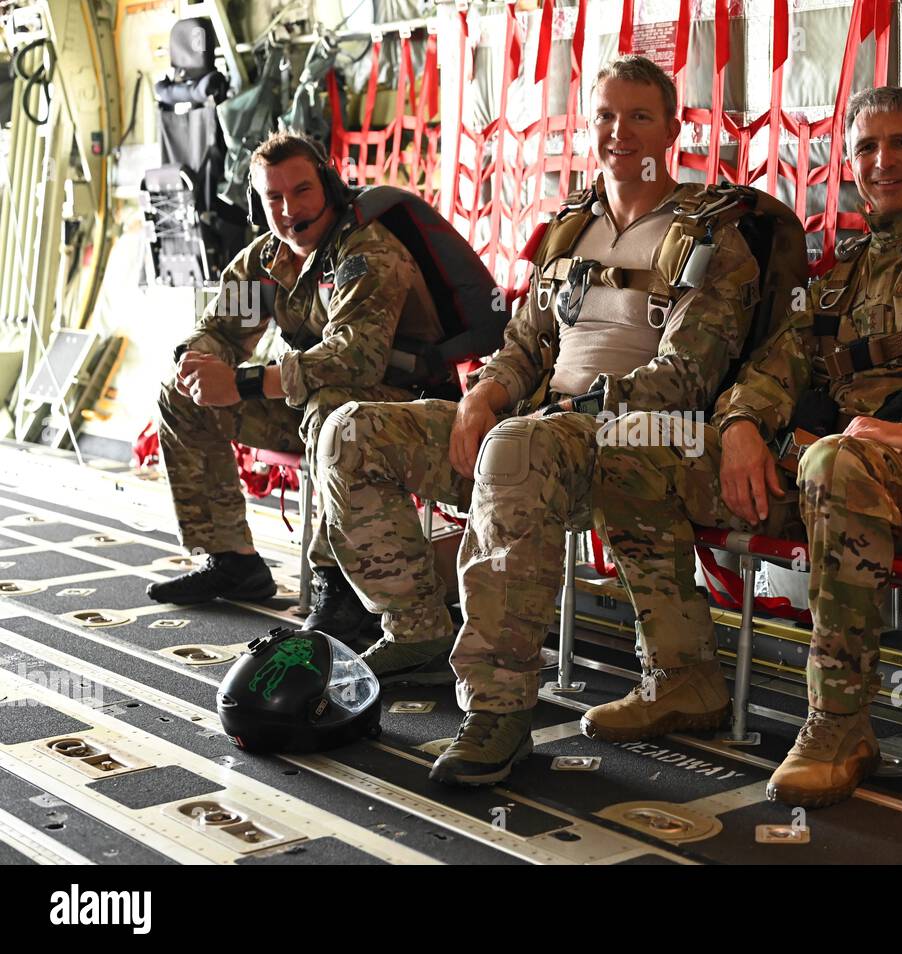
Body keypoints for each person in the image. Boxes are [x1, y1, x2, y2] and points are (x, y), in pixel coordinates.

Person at [594, 86, 902, 807]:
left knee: (832, 460)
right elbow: (779, 366)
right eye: (866, 148)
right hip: (831, 476)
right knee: (632, 451)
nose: (883, 161)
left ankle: (840, 725)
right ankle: (682, 675)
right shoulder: (839, 279)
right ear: (849, 163)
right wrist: (743, 424)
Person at [403, 54, 797, 786]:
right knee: (361, 430)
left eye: (640, 116)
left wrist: (562, 414)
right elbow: (525, 344)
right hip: (546, 425)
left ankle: (497, 710)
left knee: (519, 448)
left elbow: (683, 380)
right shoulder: (570, 231)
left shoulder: (709, 238)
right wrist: (484, 394)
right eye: (606, 116)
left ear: (673, 127)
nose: (621, 132)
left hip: (657, 437)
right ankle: (409, 633)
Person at [149, 132, 439, 645]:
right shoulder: (265, 260)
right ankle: (232, 559)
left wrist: (243, 381)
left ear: (327, 185)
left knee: (333, 407)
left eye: (301, 191)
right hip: (310, 401)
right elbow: (219, 329)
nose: (289, 210)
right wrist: (199, 363)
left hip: (402, 407)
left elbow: (357, 360)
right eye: (273, 198)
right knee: (179, 393)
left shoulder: (366, 250)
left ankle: (342, 586)